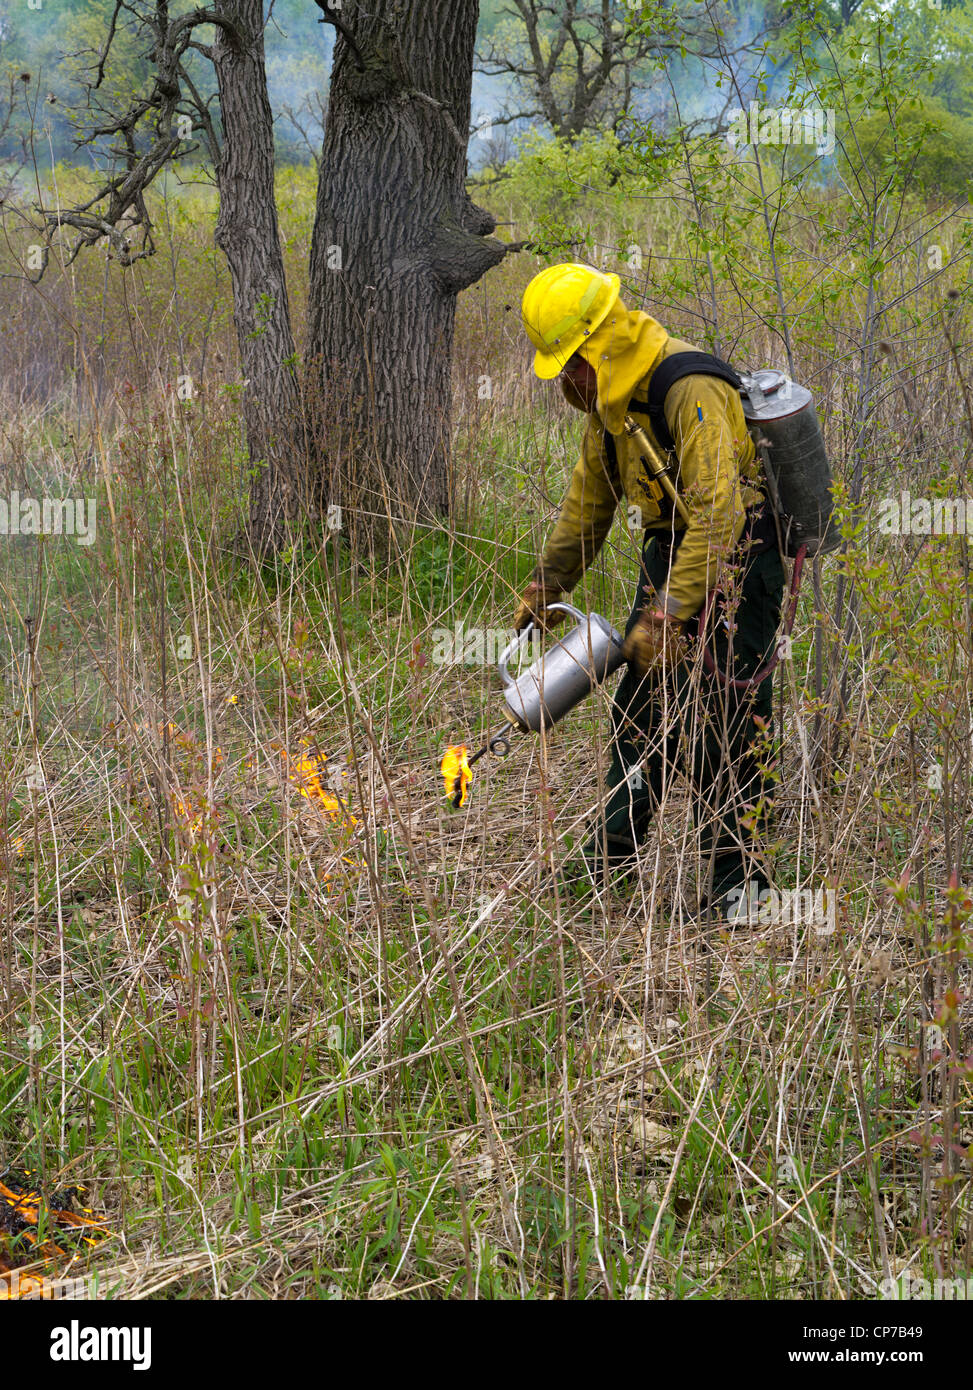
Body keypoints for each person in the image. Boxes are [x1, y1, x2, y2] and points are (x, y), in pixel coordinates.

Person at [514, 262, 785, 920]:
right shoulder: (610, 403)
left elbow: (719, 517)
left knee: (730, 723)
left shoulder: (686, 384)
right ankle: (605, 865)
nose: (567, 381)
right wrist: (547, 582)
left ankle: (739, 887)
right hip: (671, 554)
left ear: (597, 343)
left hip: (739, 558)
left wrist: (666, 614)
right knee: (640, 715)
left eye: (569, 363)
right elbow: (590, 501)